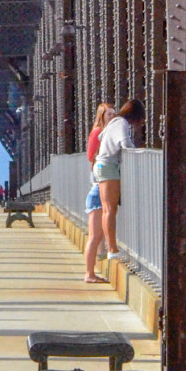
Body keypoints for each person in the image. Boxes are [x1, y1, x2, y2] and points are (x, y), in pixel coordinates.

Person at [93, 98, 145, 266]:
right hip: (108, 166)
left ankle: (111, 248)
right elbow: (124, 142)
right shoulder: (121, 123)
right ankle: (112, 250)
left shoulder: (113, 122)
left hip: (101, 165)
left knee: (107, 210)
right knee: (110, 210)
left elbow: (102, 137)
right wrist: (138, 152)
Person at [84, 101, 115, 283]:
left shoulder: (105, 133)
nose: (112, 117)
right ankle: (89, 274)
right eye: (109, 114)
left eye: (114, 114)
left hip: (100, 188)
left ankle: (91, 273)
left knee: (97, 236)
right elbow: (91, 155)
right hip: (97, 190)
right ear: (101, 116)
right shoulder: (98, 132)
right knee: (95, 236)